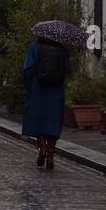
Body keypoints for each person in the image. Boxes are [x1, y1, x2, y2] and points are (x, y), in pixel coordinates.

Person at [21, 20, 86, 169]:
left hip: (38, 89)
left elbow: (27, 68)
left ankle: (41, 147)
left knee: (39, 122)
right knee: (53, 123)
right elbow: (68, 70)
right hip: (56, 91)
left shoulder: (34, 47)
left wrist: (28, 85)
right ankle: (50, 153)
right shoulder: (62, 50)